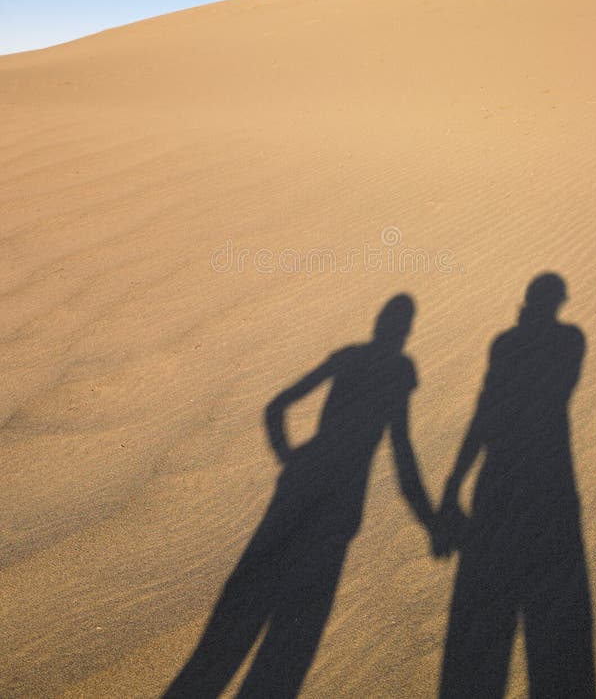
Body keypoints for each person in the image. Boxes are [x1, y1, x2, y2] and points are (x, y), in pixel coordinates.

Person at [165, 293, 434, 699]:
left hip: (300, 483)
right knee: (294, 638)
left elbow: (277, 406)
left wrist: (289, 456)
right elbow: (400, 446)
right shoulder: (399, 370)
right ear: (405, 330)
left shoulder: (347, 358)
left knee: (237, 614)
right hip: (342, 502)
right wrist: (428, 517)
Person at [435, 273, 596, 698]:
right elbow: (539, 396)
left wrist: (456, 480)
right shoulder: (568, 341)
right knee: (557, 623)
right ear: (558, 302)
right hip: (549, 481)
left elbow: (487, 412)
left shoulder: (509, 345)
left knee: (491, 617)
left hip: (503, 482)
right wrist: (455, 481)